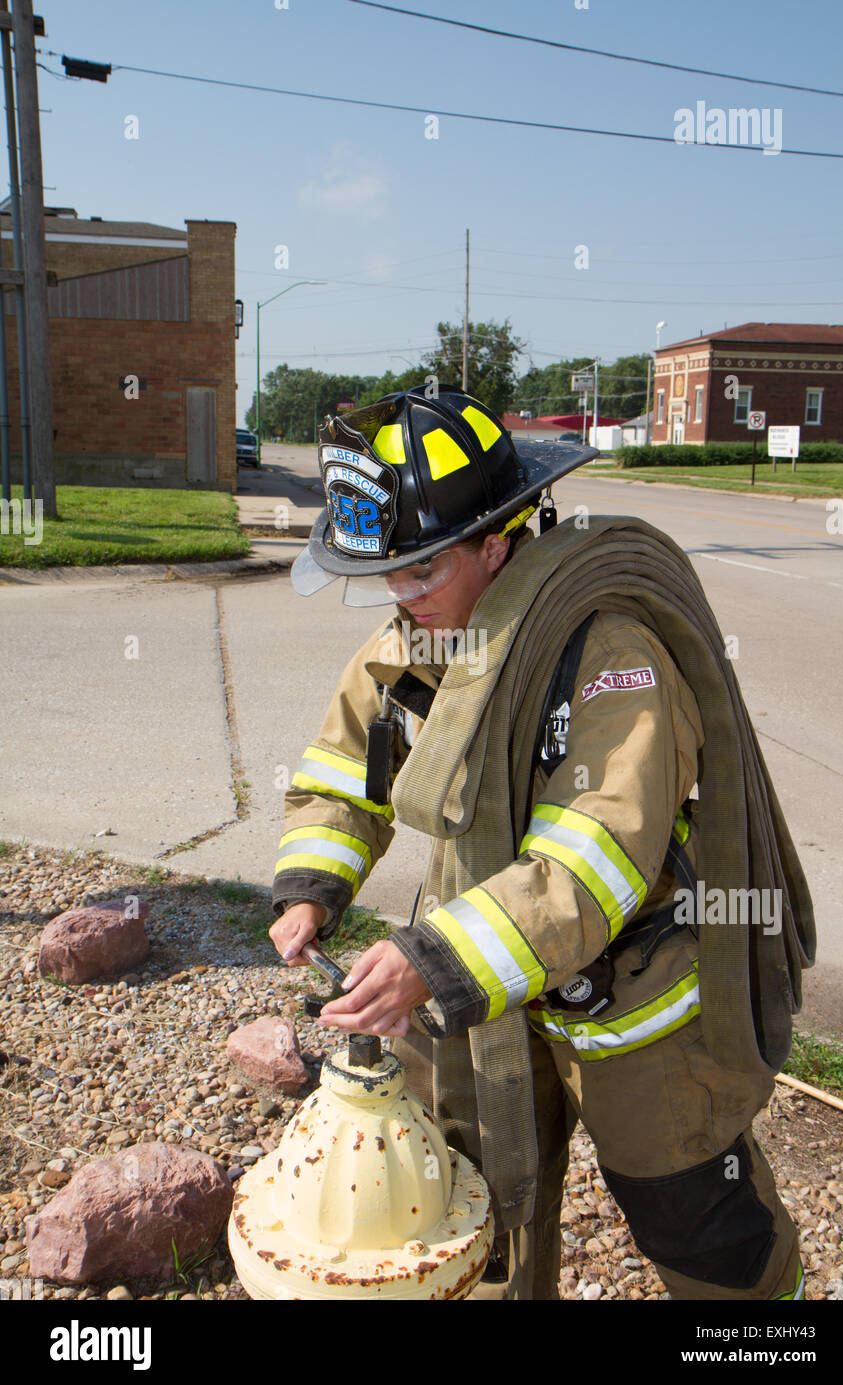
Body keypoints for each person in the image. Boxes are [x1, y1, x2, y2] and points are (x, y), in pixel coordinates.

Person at [269, 385, 813, 1301]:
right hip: (478, 985)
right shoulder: (418, 638)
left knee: (697, 1223)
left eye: (418, 572)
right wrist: (310, 885)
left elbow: (592, 861)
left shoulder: (608, 651)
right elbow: (339, 771)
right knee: (466, 1200)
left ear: (496, 540)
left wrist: (432, 963)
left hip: (627, 1004)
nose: (398, 598)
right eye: (386, 576)